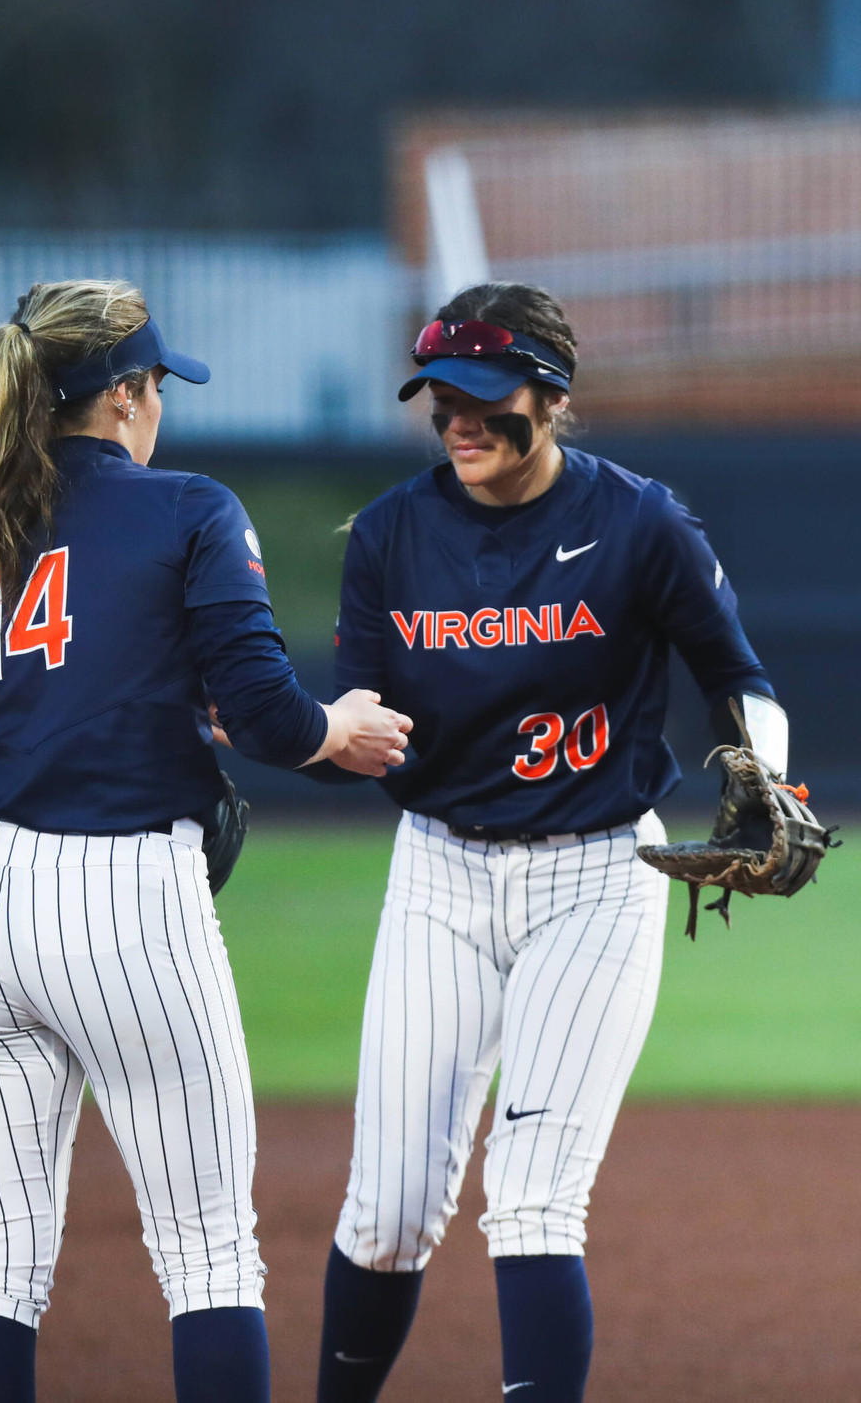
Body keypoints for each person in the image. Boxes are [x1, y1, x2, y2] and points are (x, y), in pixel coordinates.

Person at [0, 278, 412, 1403]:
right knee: (207, 1252)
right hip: (124, 888)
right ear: (128, 393)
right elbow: (274, 718)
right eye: (156, 384)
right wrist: (336, 726)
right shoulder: (188, 507)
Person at [313, 281, 790, 1402]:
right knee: (385, 1212)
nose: (458, 419)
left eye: (484, 395)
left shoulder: (637, 522)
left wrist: (763, 771)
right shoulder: (390, 533)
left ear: (553, 395)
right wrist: (306, 734)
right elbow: (354, 712)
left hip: (594, 879)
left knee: (530, 1198)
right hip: (438, 874)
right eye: (441, 397)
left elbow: (738, 677)